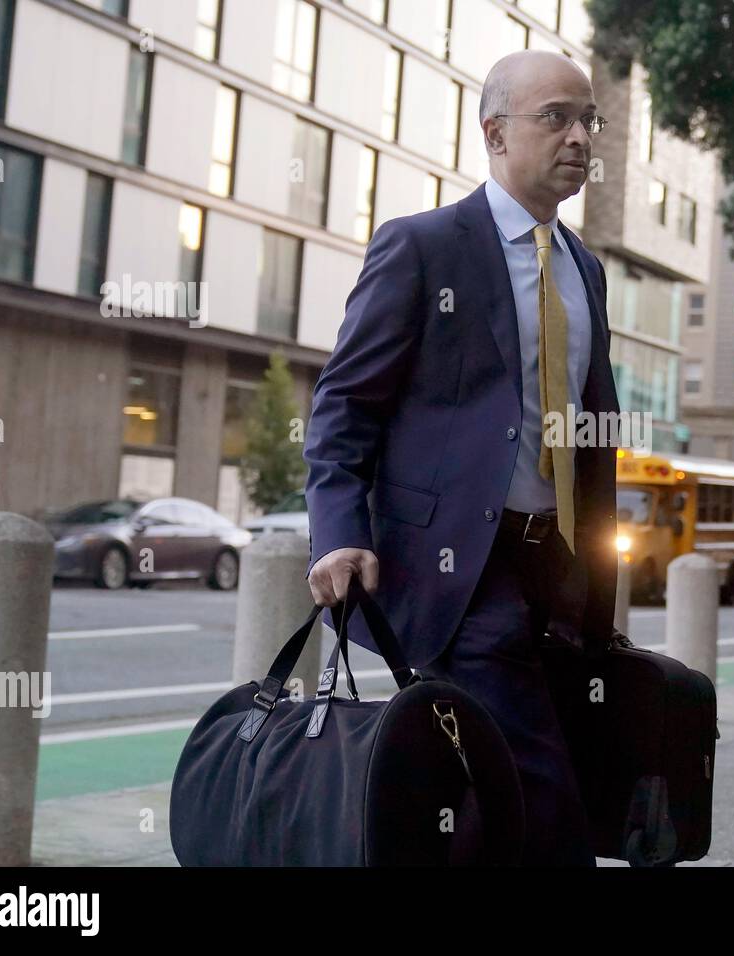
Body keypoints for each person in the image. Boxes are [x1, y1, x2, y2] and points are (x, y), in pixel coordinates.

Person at [302, 51, 618, 866]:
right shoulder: (422, 248)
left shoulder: (585, 268)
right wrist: (338, 531)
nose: (580, 136)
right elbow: (344, 403)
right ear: (494, 131)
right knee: (541, 787)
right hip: (457, 571)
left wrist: (602, 594)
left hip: (559, 566)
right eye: (557, 117)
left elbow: (594, 432)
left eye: (590, 120)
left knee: (489, 782)